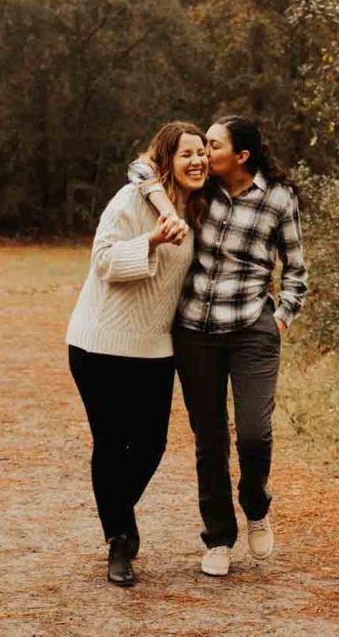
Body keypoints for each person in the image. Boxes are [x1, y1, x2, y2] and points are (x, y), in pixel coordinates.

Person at [129, 115, 309, 577]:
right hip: (195, 333)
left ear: (241, 156)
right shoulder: (199, 188)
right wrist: (164, 206)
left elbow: (296, 270)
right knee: (209, 441)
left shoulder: (277, 198)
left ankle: (256, 505)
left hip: (252, 330)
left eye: (213, 145)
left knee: (253, 434)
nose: (203, 154)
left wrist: (280, 319)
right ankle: (218, 539)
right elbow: (141, 168)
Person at [66, 121, 207, 587]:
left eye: (202, 153)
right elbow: (104, 261)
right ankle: (120, 540)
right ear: (167, 159)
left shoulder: (196, 207)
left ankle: (116, 513)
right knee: (111, 443)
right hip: (99, 344)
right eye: (186, 153)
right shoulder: (130, 201)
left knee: (151, 444)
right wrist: (152, 240)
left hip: (155, 346)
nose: (197, 161)